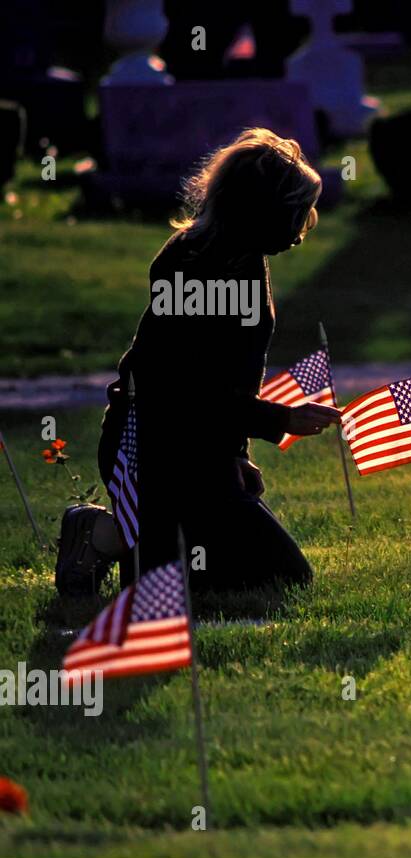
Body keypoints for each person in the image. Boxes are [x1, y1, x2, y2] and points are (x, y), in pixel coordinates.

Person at [97, 128, 341, 593]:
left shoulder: (244, 259)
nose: (303, 227)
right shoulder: (191, 265)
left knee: (277, 575)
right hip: (151, 447)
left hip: (201, 450)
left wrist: (234, 454)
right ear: (259, 208)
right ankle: (99, 536)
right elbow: (183, 389)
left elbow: (233, 376)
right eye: (295, 213)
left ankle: (149, 536)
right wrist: (282, 417)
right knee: (169, 587)